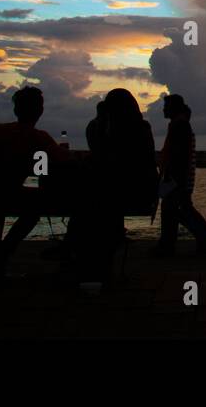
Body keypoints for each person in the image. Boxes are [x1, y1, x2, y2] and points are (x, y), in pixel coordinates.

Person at [0, 86, 67, 279]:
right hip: (7, 193)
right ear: (40, 111)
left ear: (16, 109)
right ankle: (1, 254)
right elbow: (60, 161)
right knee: (33, 211)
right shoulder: (39, 138)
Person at [67, 88, 157, 283]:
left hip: (123, 193)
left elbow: (104, 162)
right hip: (141, 192)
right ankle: (93, 256)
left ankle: (77, 251)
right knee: (101, 198)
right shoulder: (142, 128)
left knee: (93, 197)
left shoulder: (105, 130)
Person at [152, 93, 206, 257]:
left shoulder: (180, 126)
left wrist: (173, 180)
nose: (163, 110)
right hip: (177, 178)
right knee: (177, 211)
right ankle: (170, 244)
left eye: (166, 107)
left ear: (173, 108)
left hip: (176, 179)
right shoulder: (179, 124)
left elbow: (179, 157)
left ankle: (204, 239)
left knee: (176, 211)